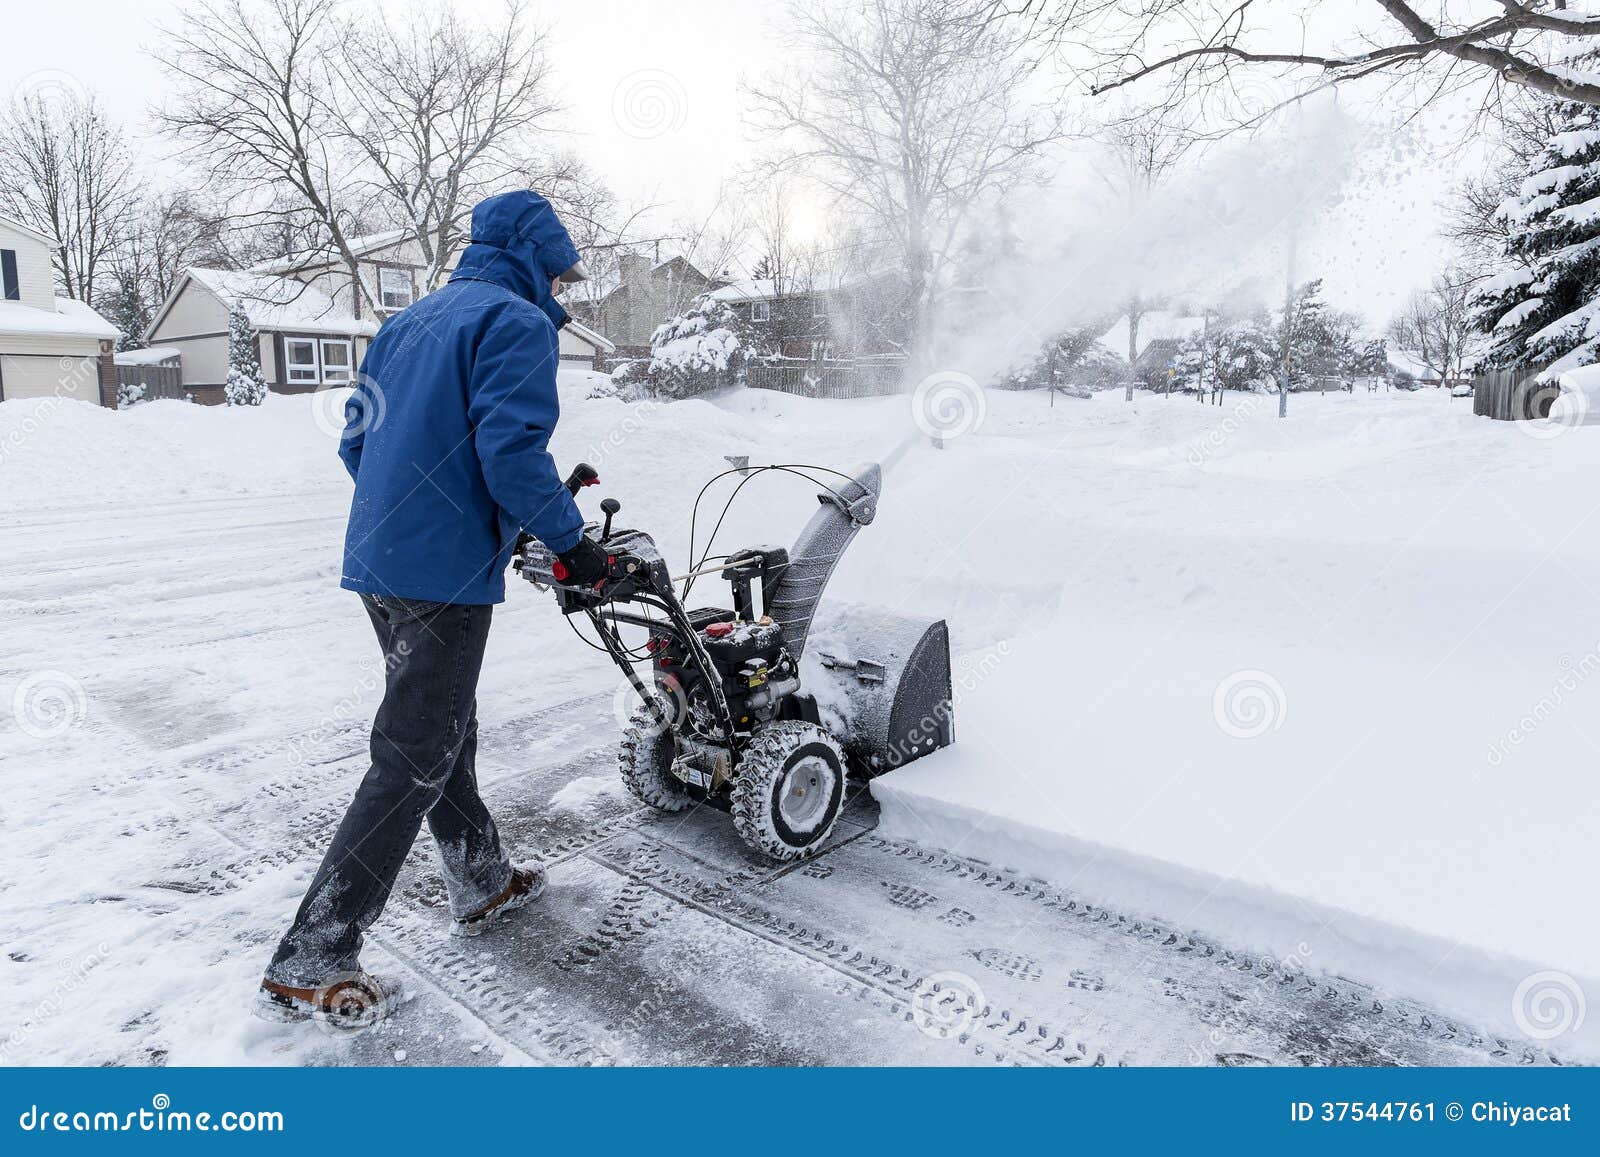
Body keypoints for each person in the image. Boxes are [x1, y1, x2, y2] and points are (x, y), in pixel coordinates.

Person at [256, 190, 615, 1028]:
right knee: (416, 750)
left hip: (380, 562)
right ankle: (314, 951)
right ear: (532, 257)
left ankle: (481, 878)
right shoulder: (515, 325)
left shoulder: (407, 322)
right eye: (557, 272)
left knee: (440, 724)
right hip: (442, 577)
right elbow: (510, 453)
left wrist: (412, 519)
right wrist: (574, 544)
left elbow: (357, 439)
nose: (560, 290)